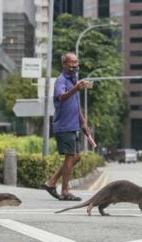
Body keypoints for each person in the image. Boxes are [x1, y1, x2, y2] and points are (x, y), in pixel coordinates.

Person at [43, 52, 96, 202]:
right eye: (71, 62)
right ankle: (65, 191)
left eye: (76, 62)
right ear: (64, 64)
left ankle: (51, 182)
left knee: (75, 157)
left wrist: (84, 122)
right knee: (69, 157)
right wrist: (76, 89)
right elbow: (61, 97)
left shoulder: (74, 80)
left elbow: (76, 105)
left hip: (74, 125)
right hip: (64, 126)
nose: (75, 65)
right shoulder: (61, 80)